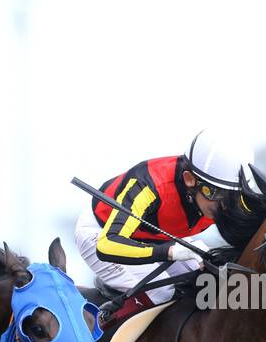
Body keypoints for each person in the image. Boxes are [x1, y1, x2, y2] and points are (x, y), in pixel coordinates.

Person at [74, 129, 251, 322]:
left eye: (231, 197)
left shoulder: (228, 201)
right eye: (213, 193)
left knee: (208, 282)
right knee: (162, 293)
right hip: (101, 234)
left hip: (158, 236)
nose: (223, 207)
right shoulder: (149, 184)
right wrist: (170, 252)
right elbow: (107, 245)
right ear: (189, 179)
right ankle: (101, 324)